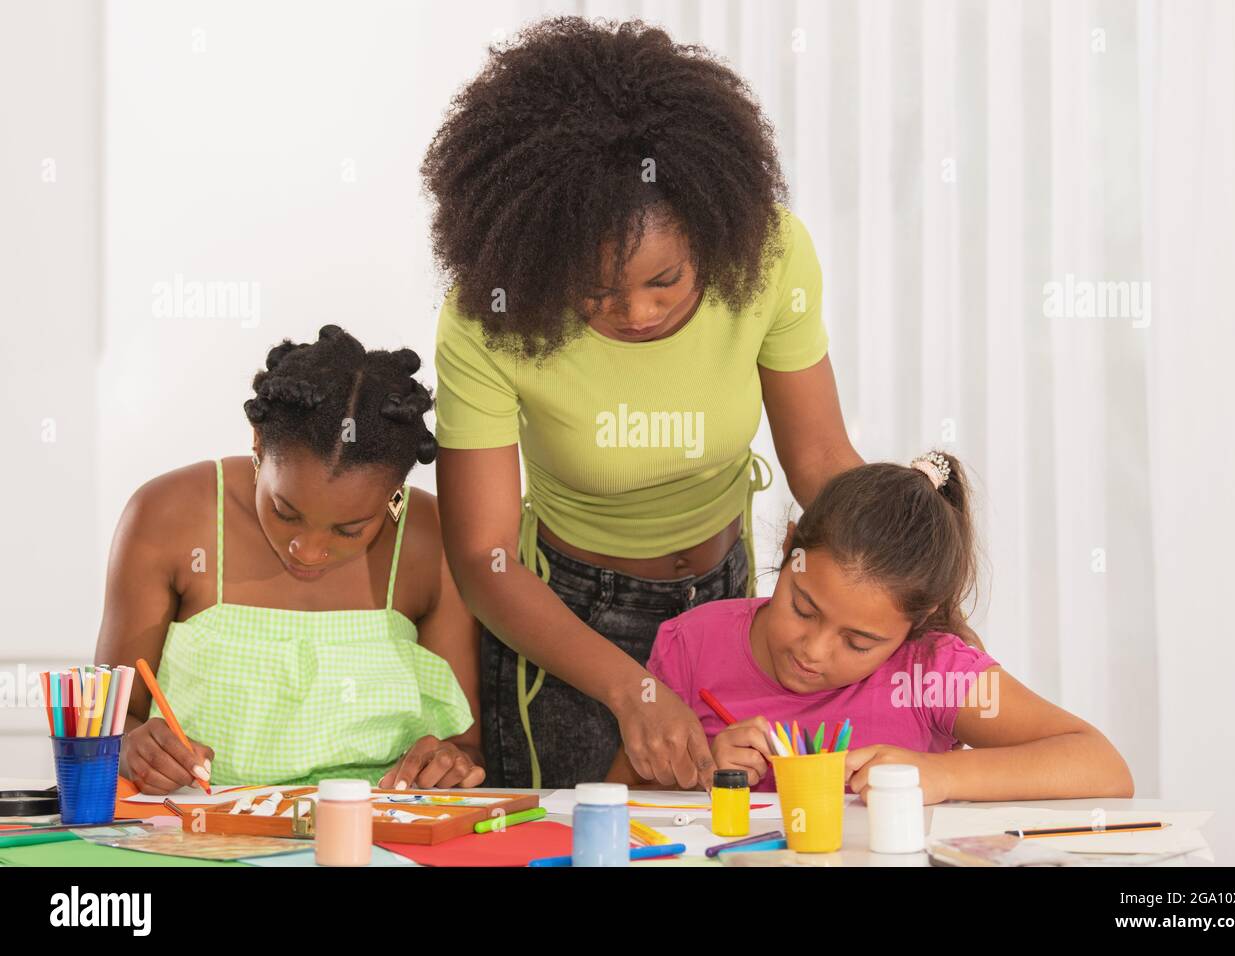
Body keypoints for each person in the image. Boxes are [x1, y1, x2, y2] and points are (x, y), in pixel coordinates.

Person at [424, 17, 862, 788]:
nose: (637, 313)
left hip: (728, 603)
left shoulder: (770, 255)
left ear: (713, 232)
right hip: (566, 620)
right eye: (594, 292)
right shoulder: (490, 312)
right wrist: (631, 687)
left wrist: (902, 576)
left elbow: (823, 462)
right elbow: (481, 555)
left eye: (665, 281)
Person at [609, 453, 1134, 803]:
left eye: (859, 642)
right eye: (803, 607)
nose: (812, 650)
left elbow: (1103, 766)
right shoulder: (693, 644)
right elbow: (614, 795)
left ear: (915, 624)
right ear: (789, 549)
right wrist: (703, 773)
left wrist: (939, 776)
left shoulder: (931, 672)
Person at [95, 326, 485, 792]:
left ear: (395, 490)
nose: (309, 550)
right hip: (198, 831)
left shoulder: (431, 538)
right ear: (257, 442)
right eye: (285, 512)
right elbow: (105, 724)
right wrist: (132, 747)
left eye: (350, 530)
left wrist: (448, 763)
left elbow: (465, 746)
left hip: (376, 835)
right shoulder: (167, 514)